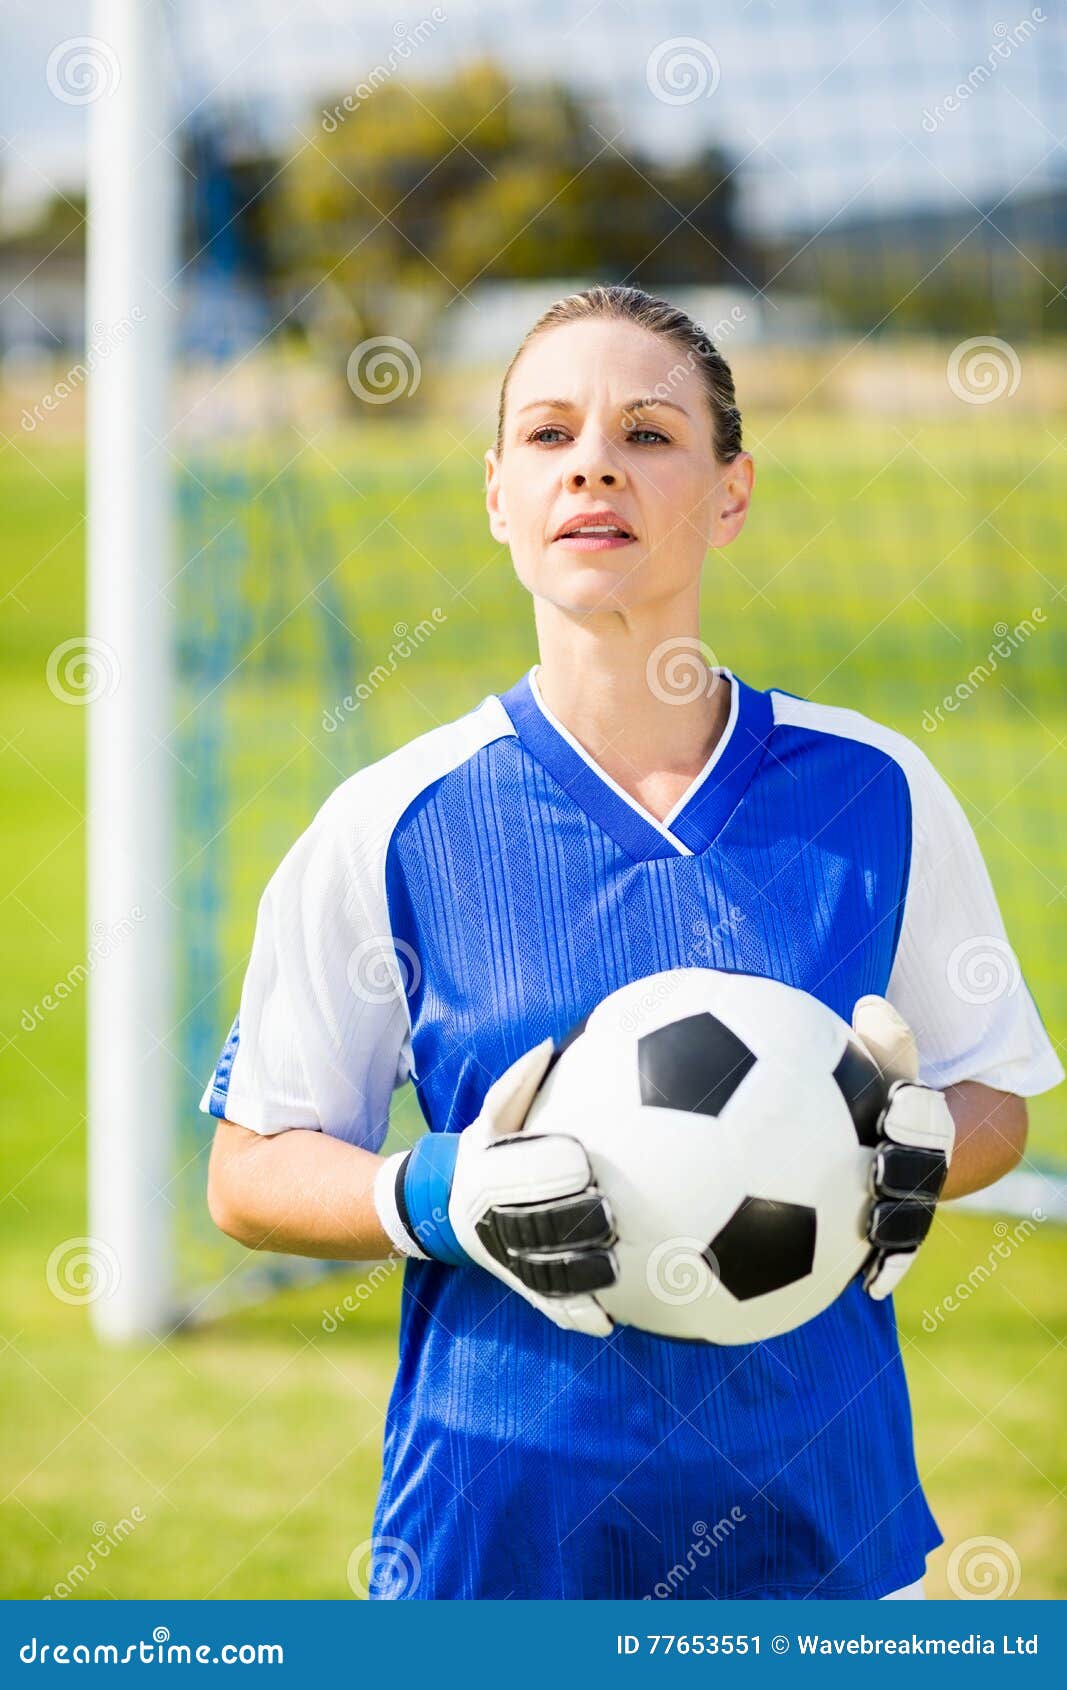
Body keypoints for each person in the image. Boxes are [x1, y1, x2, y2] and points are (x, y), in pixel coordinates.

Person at [203, 285, 1062, 1600]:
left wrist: (935, 1144)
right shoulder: (389, 823)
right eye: (549, 434)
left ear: (731, 491)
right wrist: (435, 1194)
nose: (594, 461)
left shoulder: (876, 792)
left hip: (816, 1517)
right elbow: (250, 1171)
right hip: (499, 1530)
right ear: (498, 494)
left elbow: (992, 1096)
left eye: (650, 433)